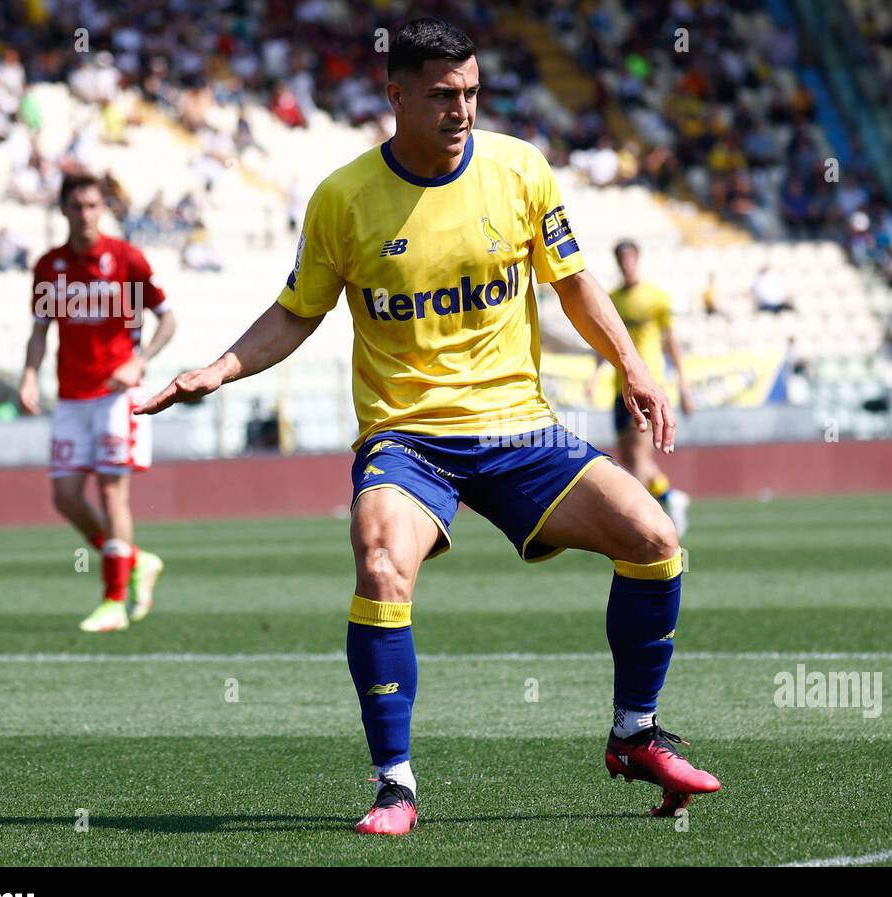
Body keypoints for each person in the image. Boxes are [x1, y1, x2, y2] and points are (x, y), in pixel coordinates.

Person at [136, 17, 719, 835]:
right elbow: (297, 311)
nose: (462, 110)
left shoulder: (521, 171)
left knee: (654, 539)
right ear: (396, 95)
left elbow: (576, 284)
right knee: (381, 565)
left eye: (473, 93)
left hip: (521, 428)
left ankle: (635, 733)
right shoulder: (343, 198)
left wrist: (634, 365)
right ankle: (395, 784)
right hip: (407, 439)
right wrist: (218, 368)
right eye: (444, 95)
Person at [18, 171, 178, 632]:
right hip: (71, 397)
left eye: (93, 206)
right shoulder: (49, 267)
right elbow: (39, 330)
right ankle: (137, 559)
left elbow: (168, 321)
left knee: (111, 492)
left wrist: (140, 360)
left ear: (102, 209)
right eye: (77, 207)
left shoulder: (126, 260)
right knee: (66, 496)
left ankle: (113, 601)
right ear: (63, 210)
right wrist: (30, 373)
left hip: (116, 395)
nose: (85, 214)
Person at [595, 239, 694, 536]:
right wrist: (593, 374)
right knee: (628, 457)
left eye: (631, 259)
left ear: (638, 259)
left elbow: (670, 341)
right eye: (622, 260)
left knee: (638, 458)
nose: (627, 264)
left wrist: (683, 383)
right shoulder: (611, 299)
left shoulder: (656, 298)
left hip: (649, 384)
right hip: (619, 386)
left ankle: (635, 525)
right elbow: (605, 341)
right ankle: (670, 497)